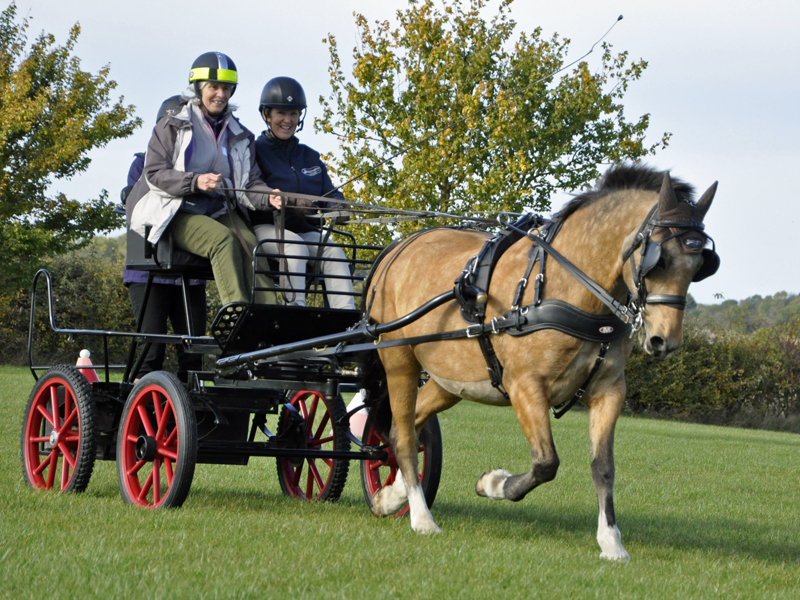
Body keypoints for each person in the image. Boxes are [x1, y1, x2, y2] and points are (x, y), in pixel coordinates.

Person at [126, 51, 280, 307]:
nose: (221, 94)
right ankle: (237, 314)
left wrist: (269, 196)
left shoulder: (240, 135)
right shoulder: (171, 125)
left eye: (227, 88)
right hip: (175, 210)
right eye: (214, 87)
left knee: (252, 244)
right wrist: (195, 182)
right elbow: (153, 174)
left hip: (217, 210)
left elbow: (249, 185)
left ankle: (267, 316)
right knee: (222, 240)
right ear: (198, 88)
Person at [250, 76, 356, 310]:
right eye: (281, 113)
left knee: (333, 252)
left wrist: (338, 207)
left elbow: (329, 193)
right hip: (267, 227)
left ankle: (346, 319)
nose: (288, 120)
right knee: (294, 247)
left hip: (304, 229)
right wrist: (285, 201)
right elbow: (251, 188)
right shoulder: (255, 151)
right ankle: (295, 311)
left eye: (294, 114)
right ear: (266, 115)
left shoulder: (309, 156)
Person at [123, 96, 207, 382]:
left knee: (194, 355)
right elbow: (137, 197)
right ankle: (140, 416)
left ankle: (191, 417)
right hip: (149, 272)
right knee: (150, 352)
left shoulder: (201, 168)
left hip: (190, 273)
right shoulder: (141, 165)